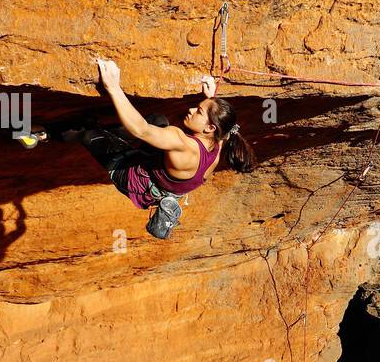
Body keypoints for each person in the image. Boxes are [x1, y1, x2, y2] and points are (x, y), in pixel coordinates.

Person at [81, 60, 255, 237]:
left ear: (210, 128)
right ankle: (116, 134)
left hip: (133, 181)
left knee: (87, 134)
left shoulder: (181, 142)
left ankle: (55, 133)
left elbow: (141, 129)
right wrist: (211, 98)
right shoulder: (217, 146)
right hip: (159, 178)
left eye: (199, 111)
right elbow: (223, 128)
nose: (191, 109)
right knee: (158, 120)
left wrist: (113, 87)